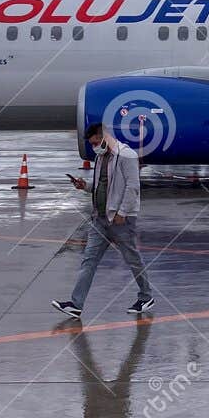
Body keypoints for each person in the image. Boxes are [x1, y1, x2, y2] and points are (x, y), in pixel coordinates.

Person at [54, 122, 153, 319]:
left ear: (106, 137)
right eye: (91, 144)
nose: (94, 146)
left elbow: (132, 187)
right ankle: (76, 304)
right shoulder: (101, 157)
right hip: (100, 219)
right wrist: (85, 186)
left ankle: (146, 296)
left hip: (120, 220)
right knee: (89, 261)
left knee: (132, 259)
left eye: (96, 142)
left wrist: (122, 213)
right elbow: (103, 186)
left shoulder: (127, 156)